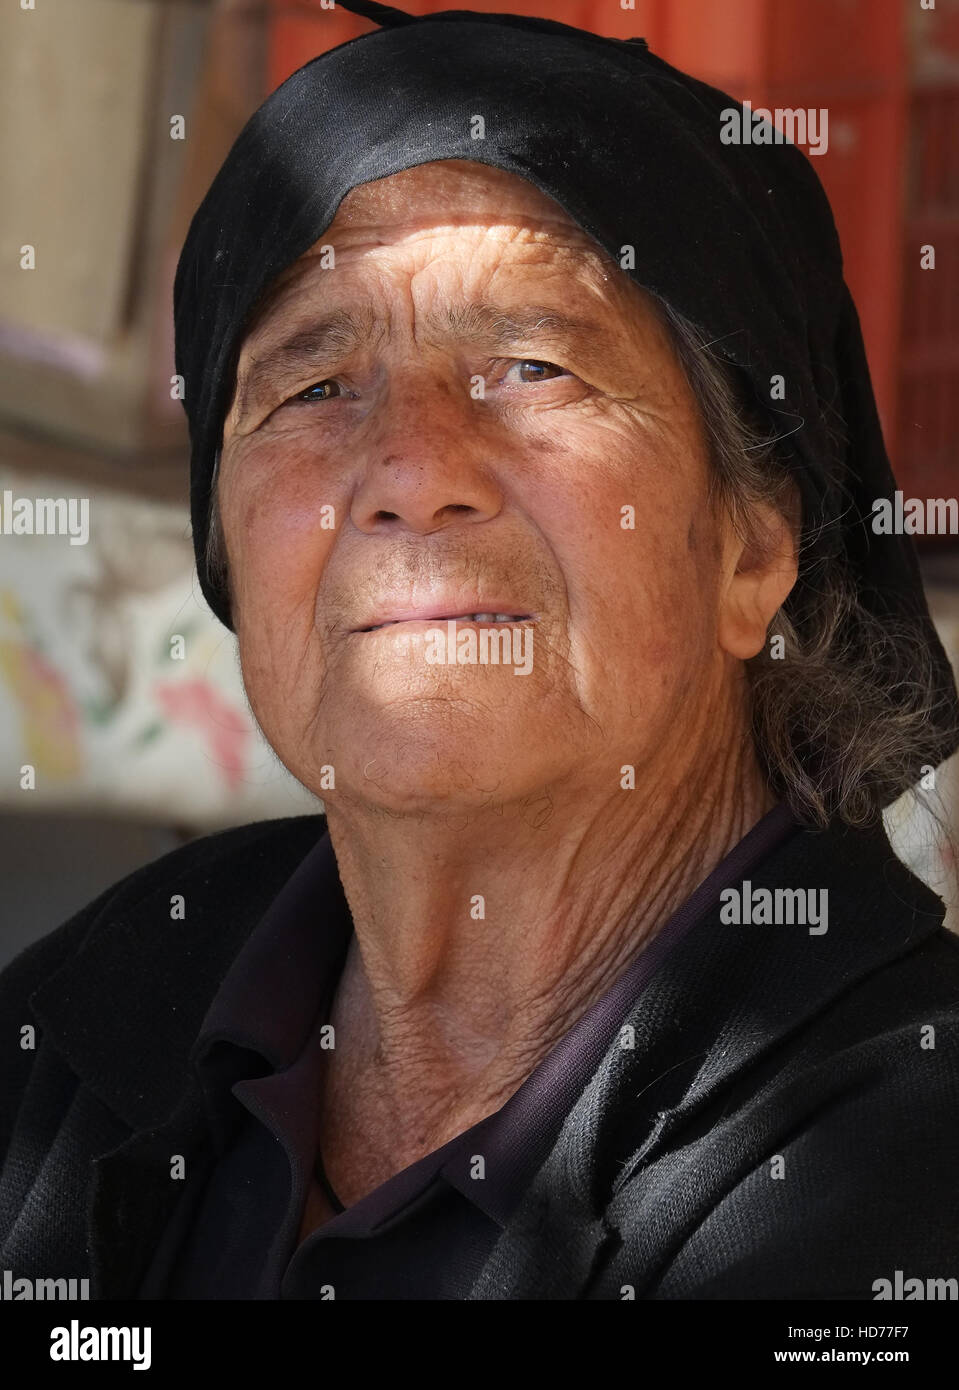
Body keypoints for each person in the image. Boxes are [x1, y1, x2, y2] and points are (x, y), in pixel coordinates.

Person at [2, 0, 958, 1300]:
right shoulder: (102, 1006)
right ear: (233, 552)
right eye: (314, 387)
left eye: (528, 364)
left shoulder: (897, 1147)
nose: (411, 468)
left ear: (751, 549)